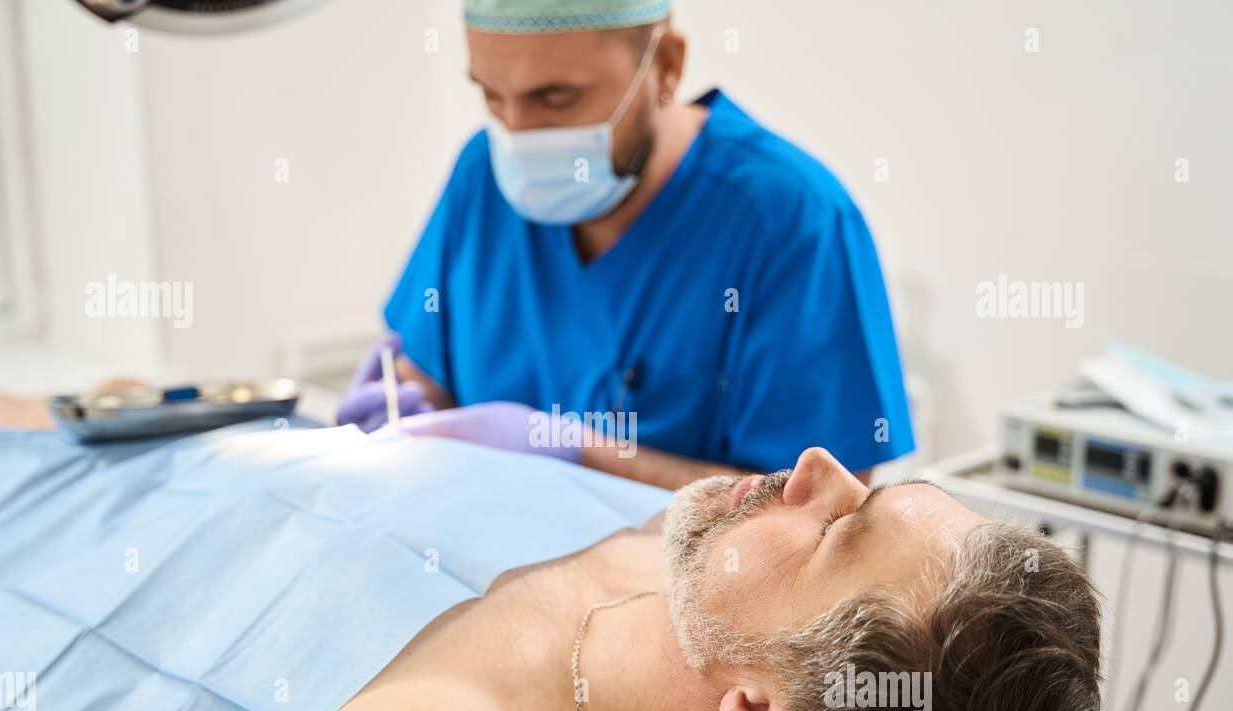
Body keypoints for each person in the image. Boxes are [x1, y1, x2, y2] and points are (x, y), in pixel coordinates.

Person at [0, 255, 1102, 711]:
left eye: (840, 527)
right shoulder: (708, 584)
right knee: (137, 416)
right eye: (871, 486)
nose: (812, 465)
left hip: (45, 566)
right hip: (250, 473)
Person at [336, 0, 916, 490]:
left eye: (556, 99)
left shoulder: (793, 221)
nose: (517, 134)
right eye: (492, 96)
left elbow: (823, 519)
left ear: (665, 66)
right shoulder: (479, 179)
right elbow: (424, 373)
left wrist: (573, 453)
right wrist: (405, 411)